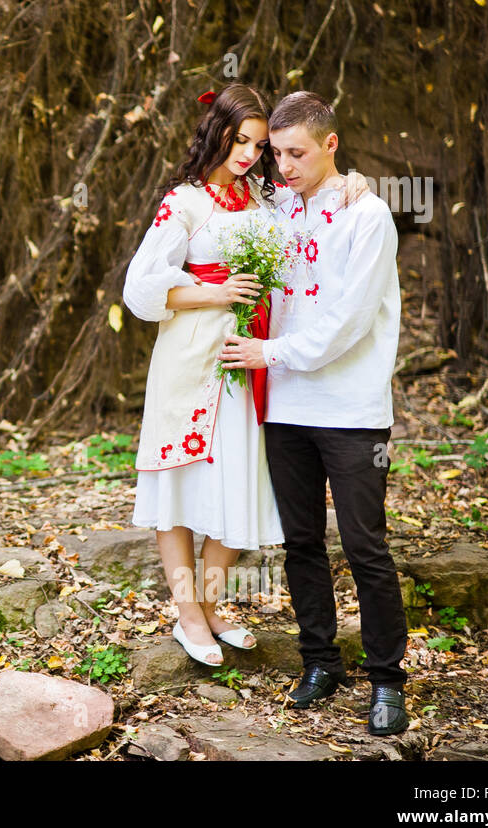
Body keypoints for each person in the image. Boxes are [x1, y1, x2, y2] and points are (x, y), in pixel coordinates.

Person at [122, 83, 366, 667]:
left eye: (259, 145)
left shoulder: (264, 198)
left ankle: (210, 602)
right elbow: (139, 290)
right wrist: (213, 291)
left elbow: (316, 202)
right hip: (190, 359)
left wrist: (351, 184)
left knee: (242, 481)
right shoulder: (184, 203)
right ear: (217, 133)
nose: (250, 155)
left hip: (251, 359)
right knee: (178, 489)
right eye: (240, 141)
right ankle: (189, 612)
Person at [218, 90, 409, 736]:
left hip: (352, 408)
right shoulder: (275, 209)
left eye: (296, 152)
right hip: (289, 408)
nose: (283, 165)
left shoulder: (368, 214)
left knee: (364, 545)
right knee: (301, 541)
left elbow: (347, 324)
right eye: (275, 153)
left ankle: (387, 679)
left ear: (331, 145)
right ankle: (320, 661)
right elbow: (209, 198)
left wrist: (266, 350)